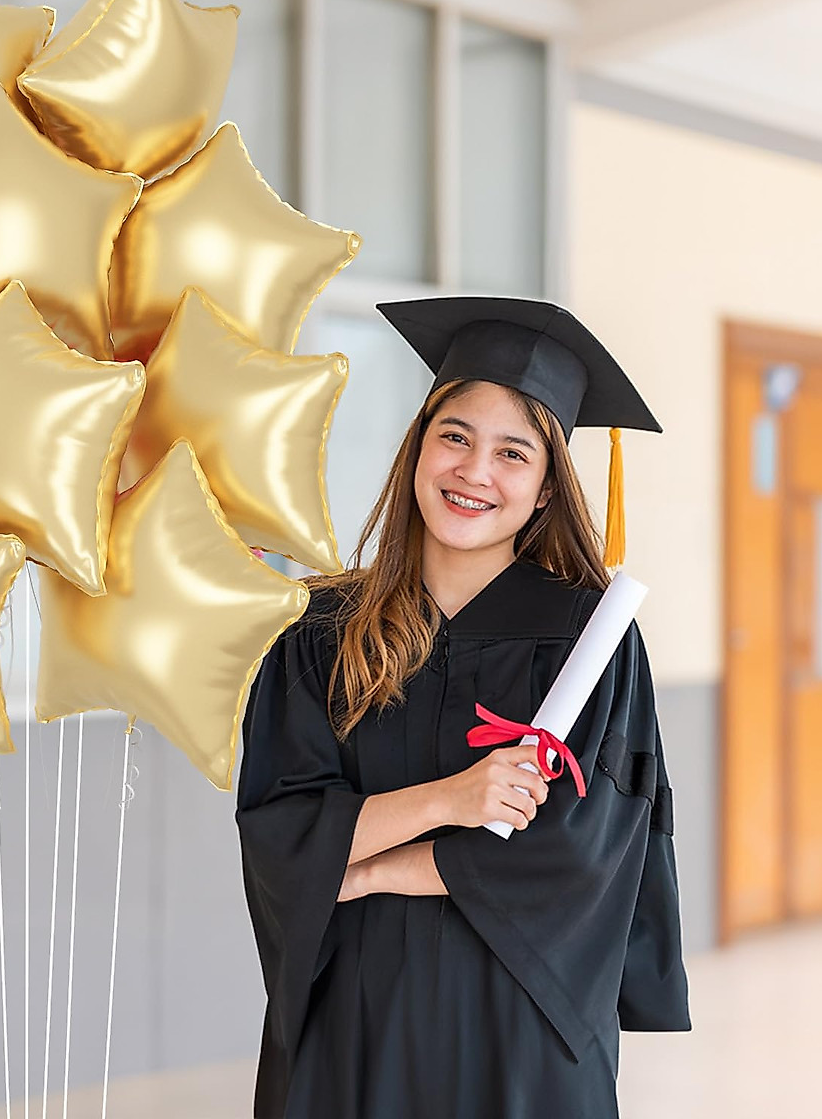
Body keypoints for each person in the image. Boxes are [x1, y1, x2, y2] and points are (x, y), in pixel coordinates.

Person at [235, 296, 691, 1119]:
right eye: (455, 437)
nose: (474, 472)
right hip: (356, 1021)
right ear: (417, 450)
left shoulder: (589, 645)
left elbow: (582, 856)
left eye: (513, 453)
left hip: (520, 1025)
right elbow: (280, 832)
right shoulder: (321, 633)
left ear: (548, 490)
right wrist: (451, 800)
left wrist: (367, 866)